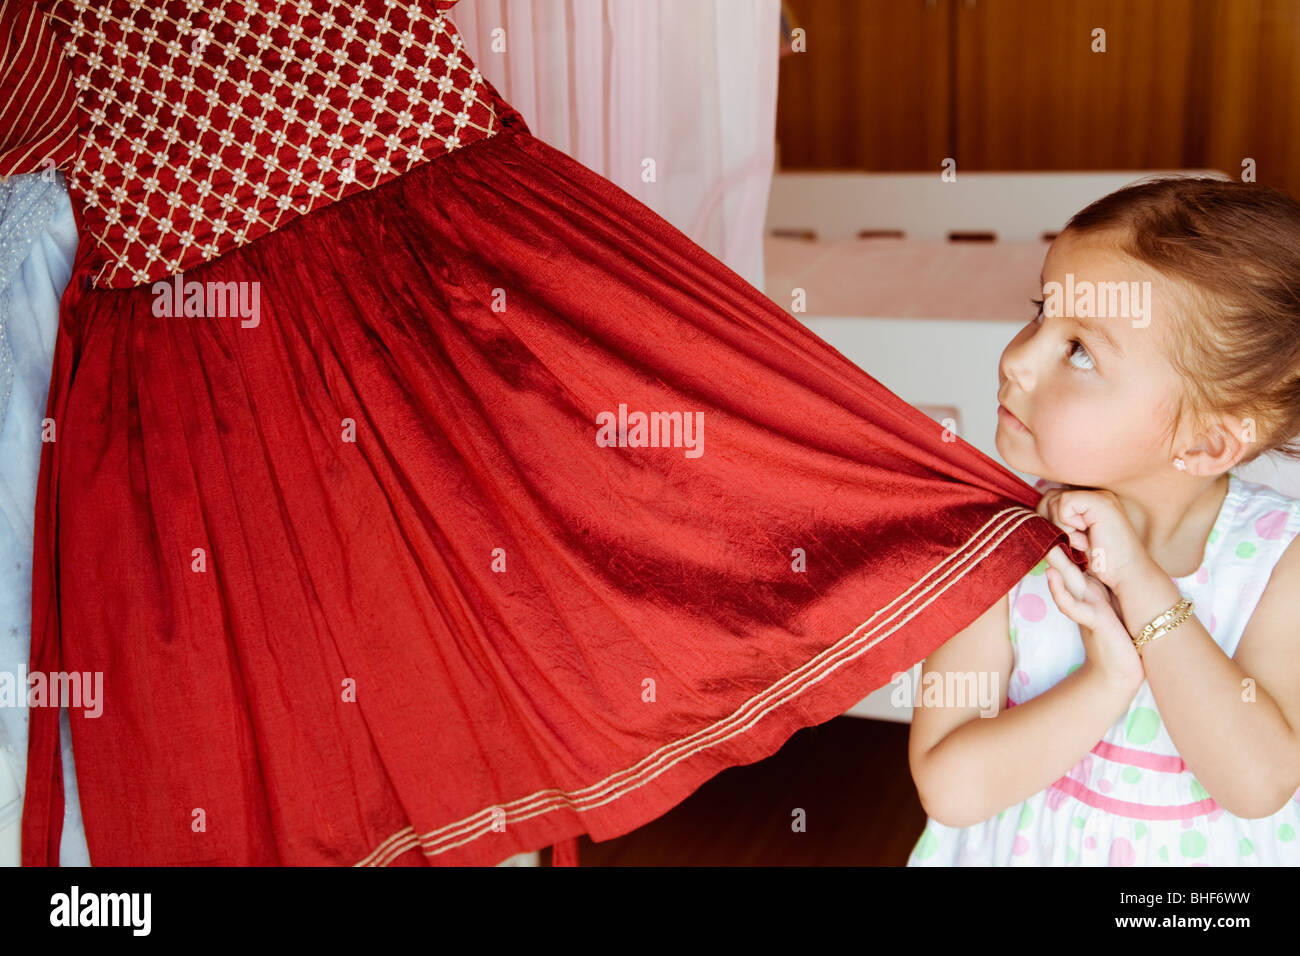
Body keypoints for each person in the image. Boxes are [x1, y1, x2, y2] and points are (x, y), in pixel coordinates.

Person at [12, 0, 1075, 866]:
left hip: (271, 264)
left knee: (399, 632)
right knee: (460, 599)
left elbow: (34, 123)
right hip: (374, 253)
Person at [908, 177, 1300, 865]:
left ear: (1206, 443)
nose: (1016, 359)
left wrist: (1139, 584)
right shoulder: (996, 538)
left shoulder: (1280, 559)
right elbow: (950, 787)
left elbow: (1258, 781)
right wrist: (1107, 679)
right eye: (1039, 313)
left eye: (1080, 351)